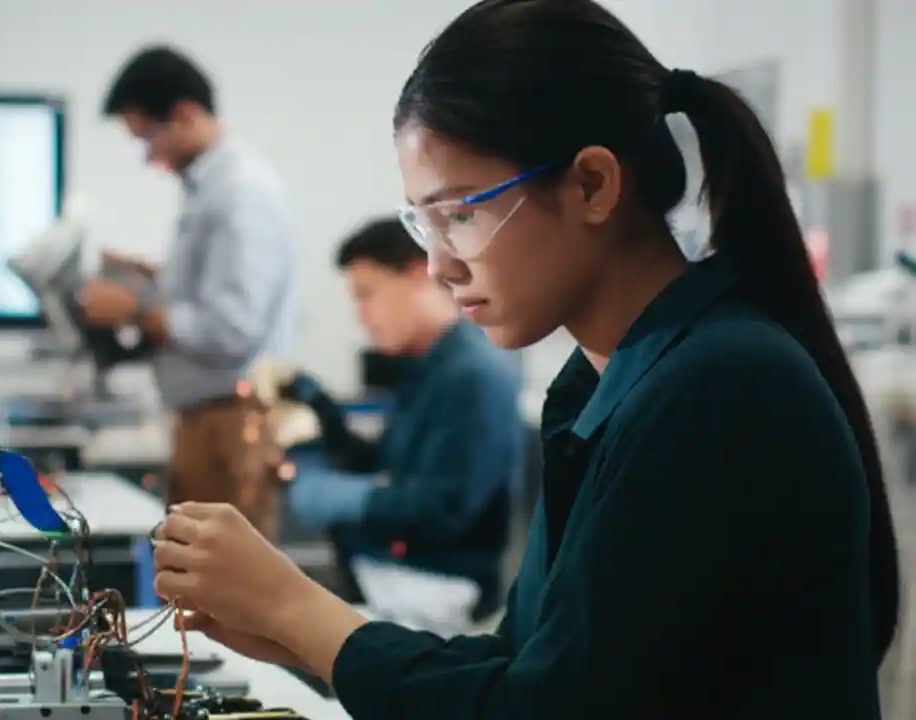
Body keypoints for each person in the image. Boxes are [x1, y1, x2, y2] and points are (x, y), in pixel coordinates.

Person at [149, 1, 902, 717]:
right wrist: (300, 638)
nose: (441, 266)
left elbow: (540, 711)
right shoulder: (600, 384)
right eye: (424, 225)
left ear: (593, 185)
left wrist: (296, 607)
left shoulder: (722, 387)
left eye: (463, 215)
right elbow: (525, 666)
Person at [80, 45, 298, 540]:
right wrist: (148, 276)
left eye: (147, 138)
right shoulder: (211, 189)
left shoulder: (240, 192)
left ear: (184, 115)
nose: (147, 157)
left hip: (231, 424)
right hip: (209, 418)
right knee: (199, 584)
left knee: (227, 596)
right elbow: (212, 289)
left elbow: (233, 328)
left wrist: (135, 308)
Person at [282, 218, 523, 622]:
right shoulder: (429, 363)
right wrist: (326, 418)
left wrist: (333, 496)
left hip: (442, 590)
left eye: (367, 295)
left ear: (416, 275)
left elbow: (442, 509)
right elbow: (395, 464)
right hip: (397, 572)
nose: (361, 316)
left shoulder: (472, 374)